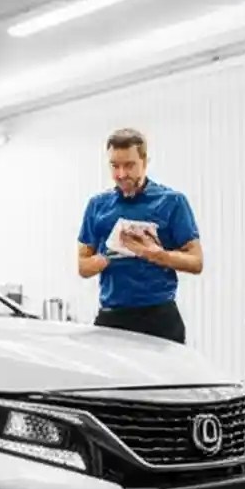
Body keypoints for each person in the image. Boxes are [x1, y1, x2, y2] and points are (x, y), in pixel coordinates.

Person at [77, 128, 203, 343]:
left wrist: (156, 254)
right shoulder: (97, 205)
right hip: (112, 317)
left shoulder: (172, 202)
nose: (121, 174)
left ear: (145, 161)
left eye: (129, 165)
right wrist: (107, 256)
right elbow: (82, 266)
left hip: (159, 317)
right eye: (114, 166)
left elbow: (196, 262)